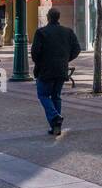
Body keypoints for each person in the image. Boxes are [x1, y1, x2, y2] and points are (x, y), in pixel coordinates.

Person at [31, 8, 81, 136]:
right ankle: (56, 126)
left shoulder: (41, 32)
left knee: (43, 95)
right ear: (58, 18)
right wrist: (65, 59)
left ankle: (55, 117)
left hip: (45, 70)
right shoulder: (68, 32)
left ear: (48, 17)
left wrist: (40, 63)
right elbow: (77, 49)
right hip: (61, 69)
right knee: (56, 96)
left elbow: (35, 53)